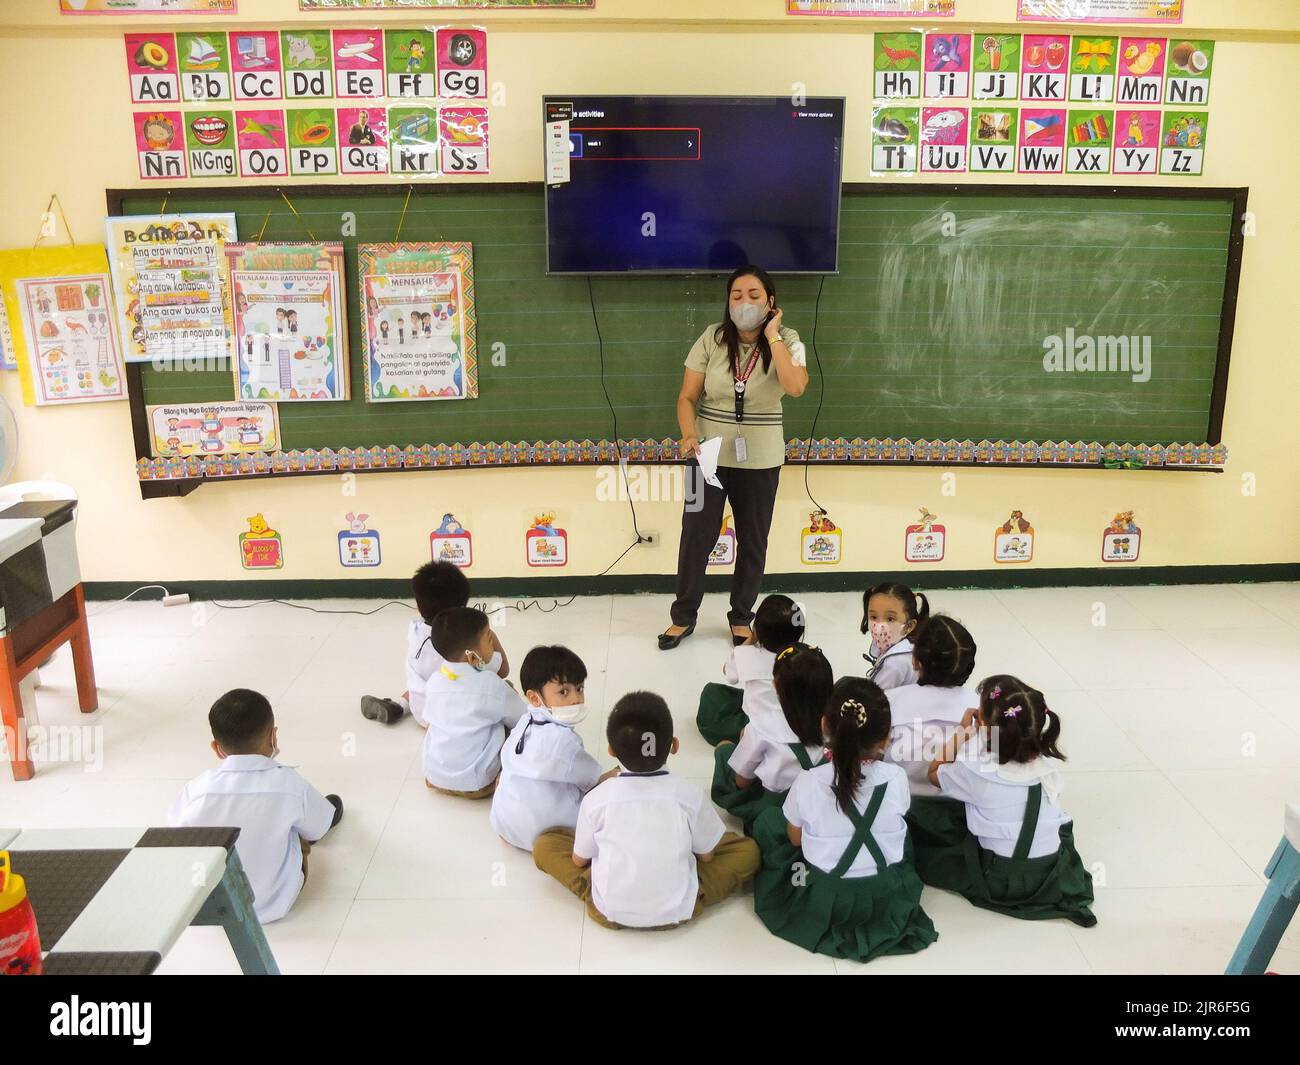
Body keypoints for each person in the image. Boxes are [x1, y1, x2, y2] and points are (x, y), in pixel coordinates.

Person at [660, 265, 809, 650]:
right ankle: (682, 617)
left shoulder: (789, 339)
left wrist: (773, 336)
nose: (744, 303)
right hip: (706, 455)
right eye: (737, 296)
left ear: (770, 302)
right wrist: (689, 434)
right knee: (695, 536)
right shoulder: (712, 338)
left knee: (753, 540)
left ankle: (742, 617)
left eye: (754, 296)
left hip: (762, 458)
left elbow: (795, 386)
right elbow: (686, 397)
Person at [532, 691, 759, 929]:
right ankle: (679, 884)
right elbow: (707, 857)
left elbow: (579, 860)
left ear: (611, 751)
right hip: (679, 910)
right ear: (674, 746)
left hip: (609, 911)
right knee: (747, 851)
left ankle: (602, 890)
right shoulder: (689, 794)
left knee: (545, 845)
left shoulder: (596, 799)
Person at [751, 678, 937, 960]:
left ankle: (803, 883)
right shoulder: (897, 778)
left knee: (769, 822)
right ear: (886, 738)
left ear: (824, 725)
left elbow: (795, 839)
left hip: (826, 893)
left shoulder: (809, 781)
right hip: (883, 891)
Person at [917, 674, 1097, 927]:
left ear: (985, 725)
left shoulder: (977, 771)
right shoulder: (1047, 767)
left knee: (920, 814)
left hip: (999, 880)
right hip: (1048, 873)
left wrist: (961, 733)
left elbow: (934, 773)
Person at [168, 688, 342, 924]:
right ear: (273, 736)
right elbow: (318, 830)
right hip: (276, 902)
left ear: (216, 747)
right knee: (299, 822)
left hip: (218, 905)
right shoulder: (289, 783)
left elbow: (176, 839)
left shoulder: (195, 790)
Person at [490, 646, 617, 850]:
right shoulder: (563, 741)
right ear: (534, 698)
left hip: (504, 824)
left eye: (580, 689)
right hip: (546, 832)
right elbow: (591, 780)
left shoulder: (524, 721)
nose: (576, 698)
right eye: (564, 692)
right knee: (615, 787)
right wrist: (616, 775)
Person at [360, 561, 508, 726]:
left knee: (423, 680)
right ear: (462, 609)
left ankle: (399, 706)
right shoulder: (466, 646)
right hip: (452, 720)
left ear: (418, 607)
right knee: (503, 686)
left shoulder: (414, 630)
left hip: (421, 711)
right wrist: (488, 634)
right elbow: (503, 670)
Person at [710, 643, 832, 836]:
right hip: (818, 798)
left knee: (724, 749)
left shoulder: (762, 725)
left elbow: (742, 781)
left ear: (775, 685)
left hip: (774, 802)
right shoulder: (837, 722)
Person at [421, 607, 524, 798]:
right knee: (510, 715)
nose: (493, 643)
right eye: (489, 638)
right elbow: (522, 718)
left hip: (434, 776)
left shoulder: (434, 681)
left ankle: (442, 775)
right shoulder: (491, 685)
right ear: (471, 656)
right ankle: (497, 778)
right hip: (478, 783)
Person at [696, 593, 804, 747]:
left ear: (757, 630)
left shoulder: (748, 654)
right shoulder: (803, 656)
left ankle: (745, 738)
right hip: (792, 724)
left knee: (711, 693)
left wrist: (751, 640)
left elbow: (728, 672)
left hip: (756, 725)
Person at [861, 580, 929, 689]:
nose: (879, 625)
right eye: (873, 617)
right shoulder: (911, 644)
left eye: (890, 619)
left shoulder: (894, 664)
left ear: (909, 626)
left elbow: (876, 697)